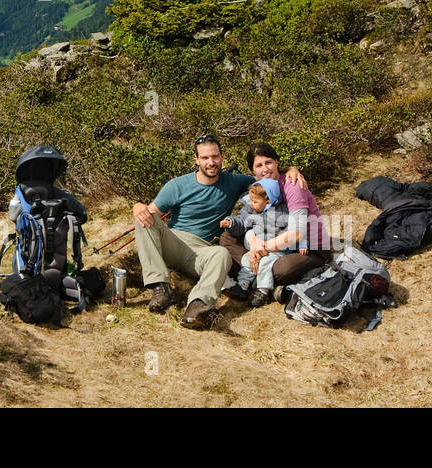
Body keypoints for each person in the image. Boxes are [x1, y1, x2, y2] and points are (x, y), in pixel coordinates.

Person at [132, 136, 308, 329]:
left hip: (204, 251)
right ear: (196, 160)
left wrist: (288, 169)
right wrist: (138, 206)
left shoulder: (234, 181)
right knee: (143, 218)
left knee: (222, 253)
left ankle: (198, 305)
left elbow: (265, 179)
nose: (211, 162)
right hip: (175, 241)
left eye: (215, 157)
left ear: (222, 156)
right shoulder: (177, 185)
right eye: (205, 158)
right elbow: (151, 214)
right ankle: (160, 287)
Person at [219, 143, 333, 290]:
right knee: (227, 238)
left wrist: (261, 248)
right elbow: (246, 218)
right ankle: (257, 274)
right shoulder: (259, 186)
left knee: (282, 269)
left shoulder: (293, 185)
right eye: (258, 165)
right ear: (253, 171)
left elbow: (297, 234)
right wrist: (253, 241)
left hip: (307, 247)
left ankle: (252, 275)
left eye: (268, 162)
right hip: (271, 240)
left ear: (276, 162)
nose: (265, 169)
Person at [224, 180, 293, 307]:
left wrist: (272, 244)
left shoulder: (282, 212)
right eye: (251, 200)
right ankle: (243, 286)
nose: (251, 204)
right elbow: (241, 223)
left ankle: (262, 290)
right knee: (246, 259)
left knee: (265, 263)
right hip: (255, 247)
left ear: (268, 201)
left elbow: (290, 231)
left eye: (255, 201)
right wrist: (231, 223)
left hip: (275, 250)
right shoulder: (252, 210)